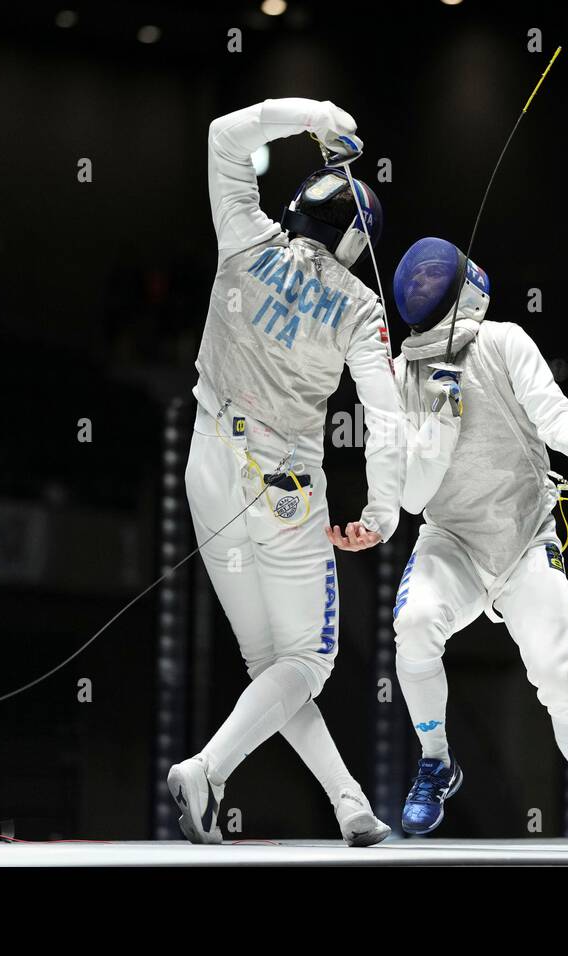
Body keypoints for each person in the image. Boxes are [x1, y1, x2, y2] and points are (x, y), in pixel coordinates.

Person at [388, 236, 568, 852]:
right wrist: (435, 427)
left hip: (524, 542)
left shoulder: (504, 342)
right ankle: (436, 762)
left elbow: (556, 422)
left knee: (557, 675)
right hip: (452, 543)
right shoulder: (402, 373)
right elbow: (411, 495)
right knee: (414, 625)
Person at [168, 98, 404, 847]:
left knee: (273, 664)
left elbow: (223, 135)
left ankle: (349, 803)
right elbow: (386, 415)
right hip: (285, 490)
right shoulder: (359, 307)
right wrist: (386, 510)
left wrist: (318, 115)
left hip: (206, 462)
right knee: (308, 659)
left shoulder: (244, 237)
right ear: (356, 246)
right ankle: (207, 768)